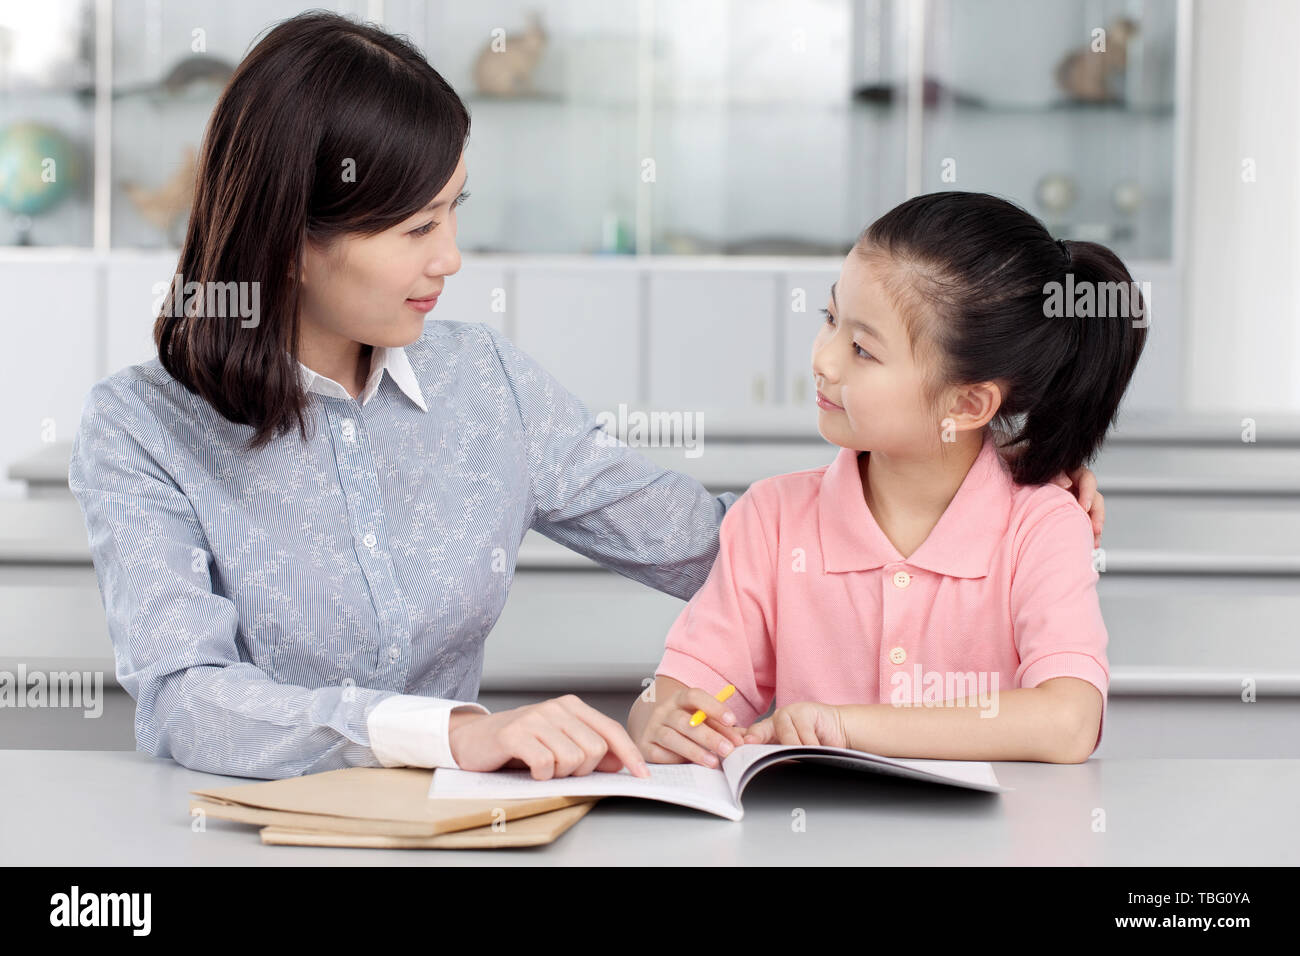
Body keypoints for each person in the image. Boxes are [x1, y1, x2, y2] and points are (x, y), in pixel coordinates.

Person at [68, 13, 1105, 782]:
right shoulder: (141, 428)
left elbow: (720, 546)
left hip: (464, 829)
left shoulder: (486, 384)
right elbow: (186, 699)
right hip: (236, 840)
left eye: (453, 214)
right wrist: (453, 730)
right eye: (415, 229)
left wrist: (983, 468)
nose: (453, 257)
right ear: (294, 234)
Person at [628, 192, 1143, 766]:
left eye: (862, 350)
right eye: (829, 319)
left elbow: (1068, 722)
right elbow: (680, 692)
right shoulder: (771, 518)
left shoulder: (1042, 526)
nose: (823, 359)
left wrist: (844, 727)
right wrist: (662, 718)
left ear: (968, 403)